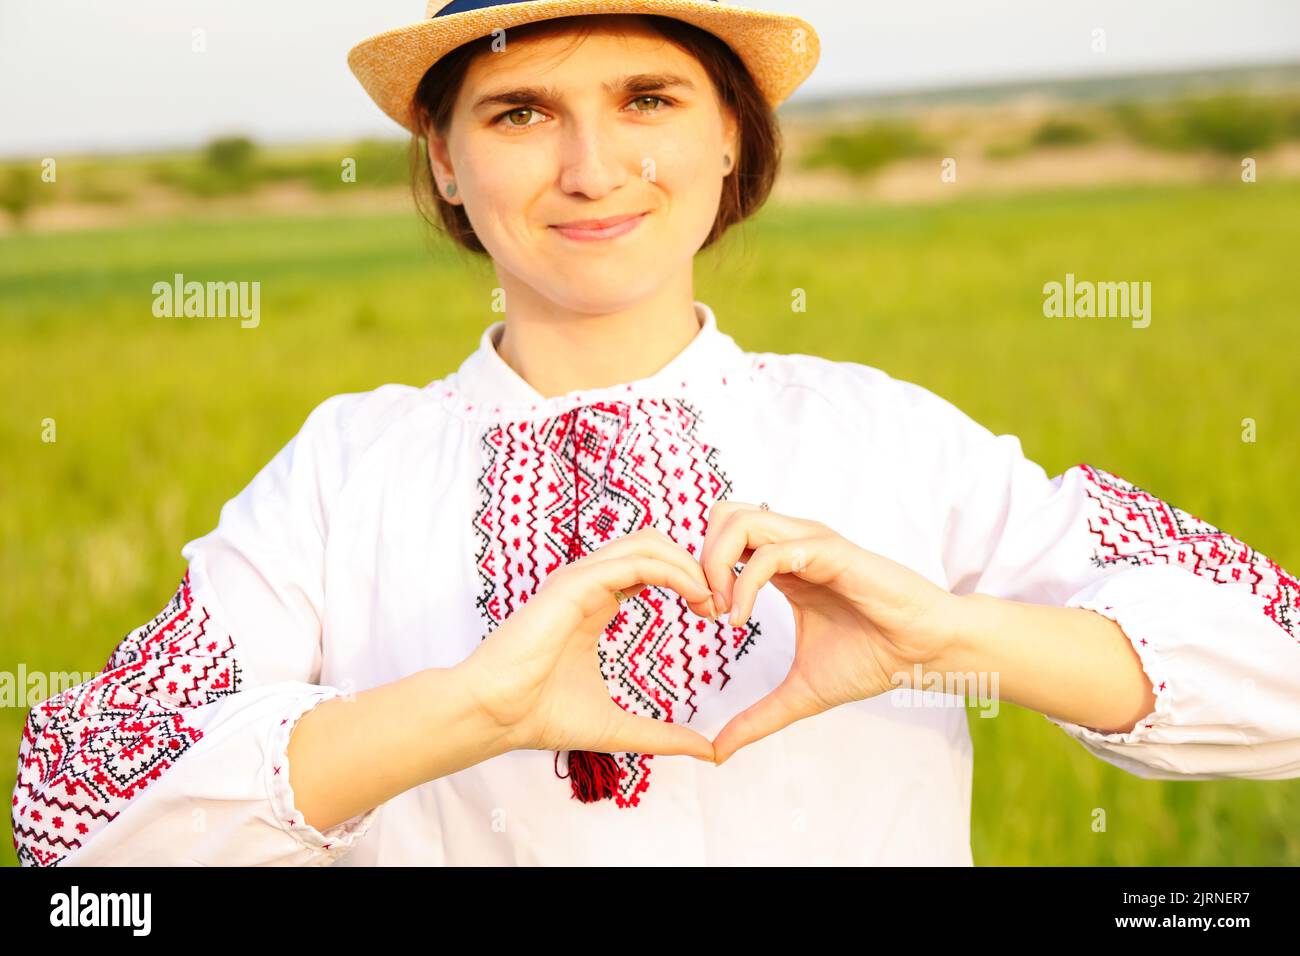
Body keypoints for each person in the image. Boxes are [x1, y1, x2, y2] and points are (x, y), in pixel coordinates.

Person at [12, 0, 1300, 867]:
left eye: (649, 98)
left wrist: (949, 639)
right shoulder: (346, 473)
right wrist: (470, 709)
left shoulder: (887, 436)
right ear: (446, 161)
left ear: (733, 134)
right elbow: (71, 828)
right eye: (519, 111)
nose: (591, 166)